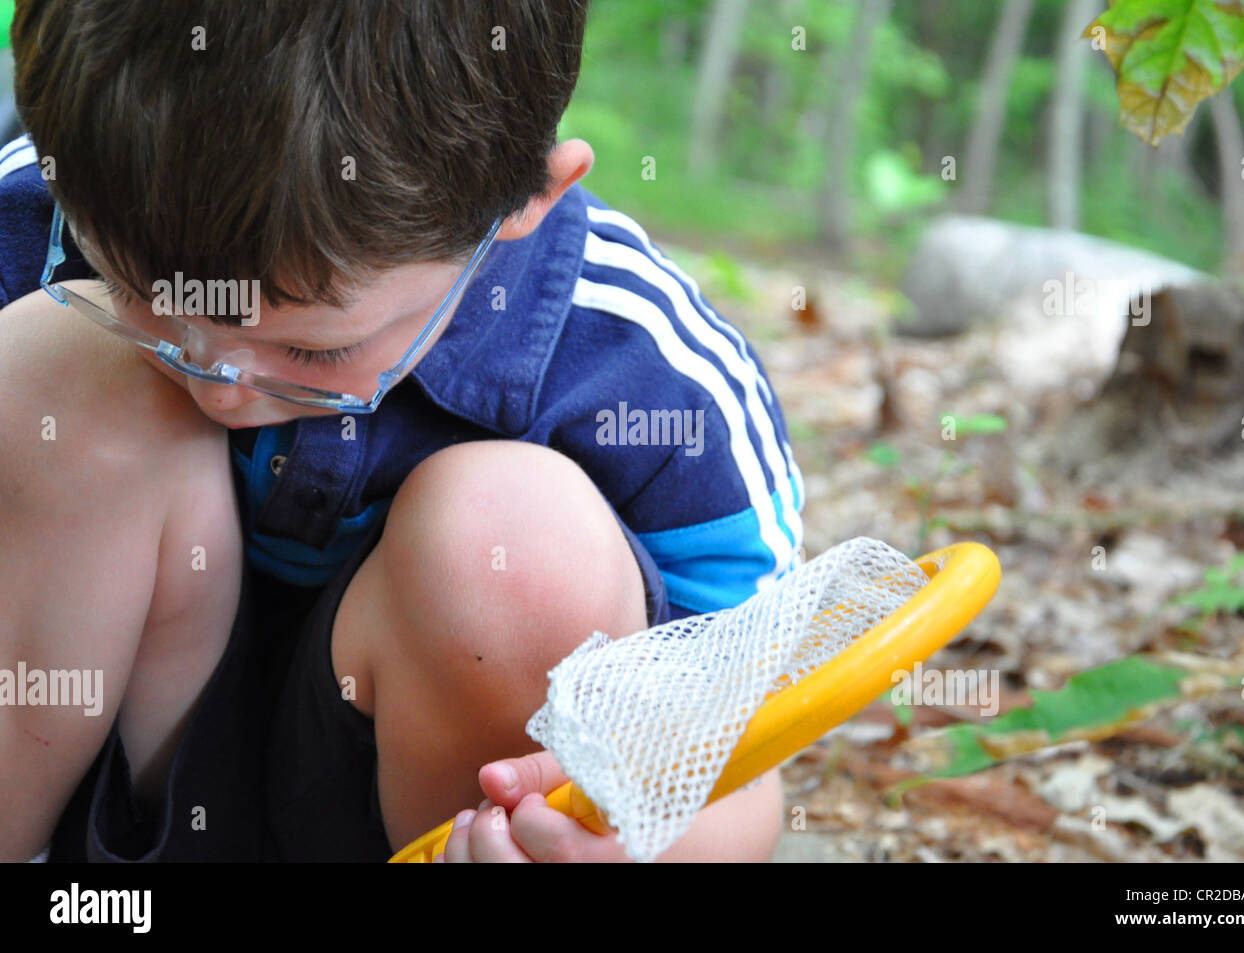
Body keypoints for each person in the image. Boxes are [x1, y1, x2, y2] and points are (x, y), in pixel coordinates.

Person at [0, 0, 804, 862]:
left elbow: (742, 762)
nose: (218, 381)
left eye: (314, 346)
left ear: (525, 198)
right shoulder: (50, 197)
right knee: (66, 360)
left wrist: (638, 844)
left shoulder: (647, 377)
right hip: (114, 793)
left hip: (416, 815)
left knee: (518, 545)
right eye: (144, 299)